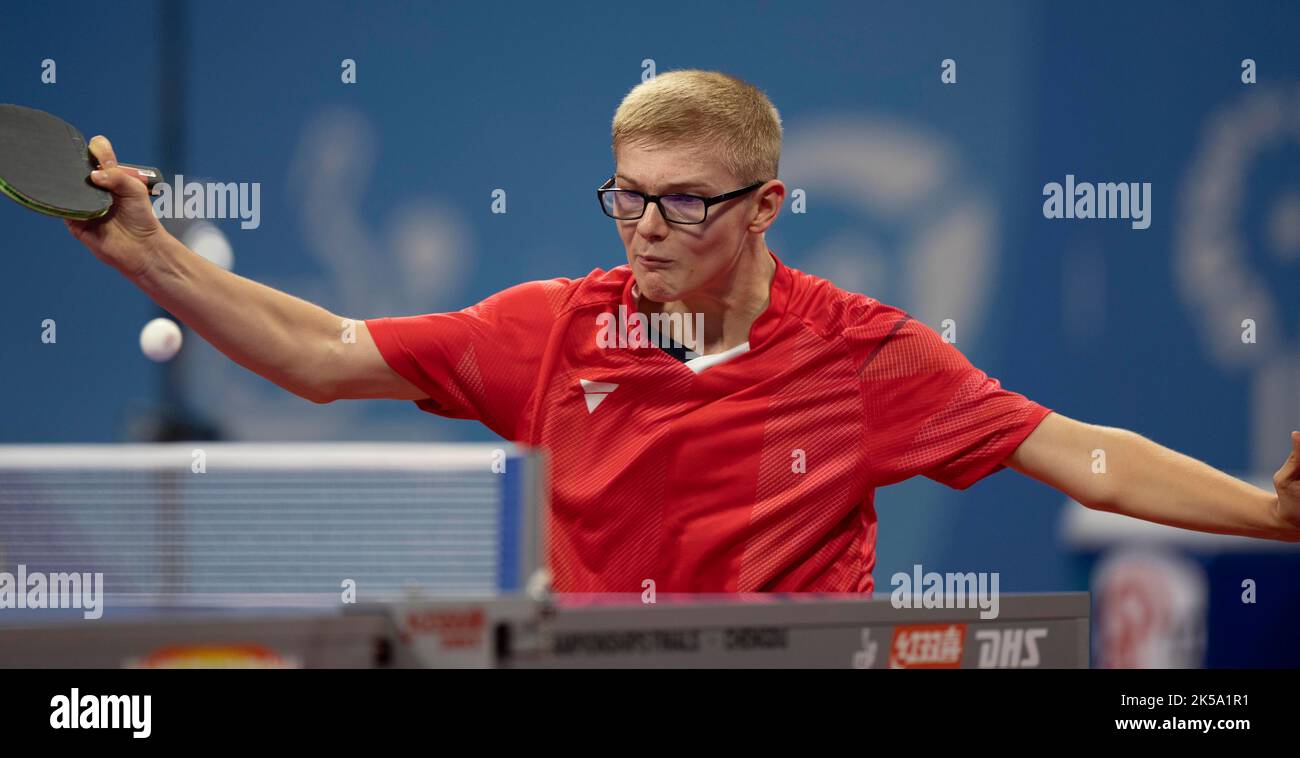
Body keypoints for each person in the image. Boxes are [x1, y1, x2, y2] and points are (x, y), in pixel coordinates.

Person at [66, 69, 1300, 593]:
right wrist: (156, 258)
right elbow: (324, 353)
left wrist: (1267, 514)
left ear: (765, 205)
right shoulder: (551, 327)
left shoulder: (862, 352)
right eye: (626, 196)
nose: (644, 229)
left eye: (683, 202)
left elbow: (1070, 448)